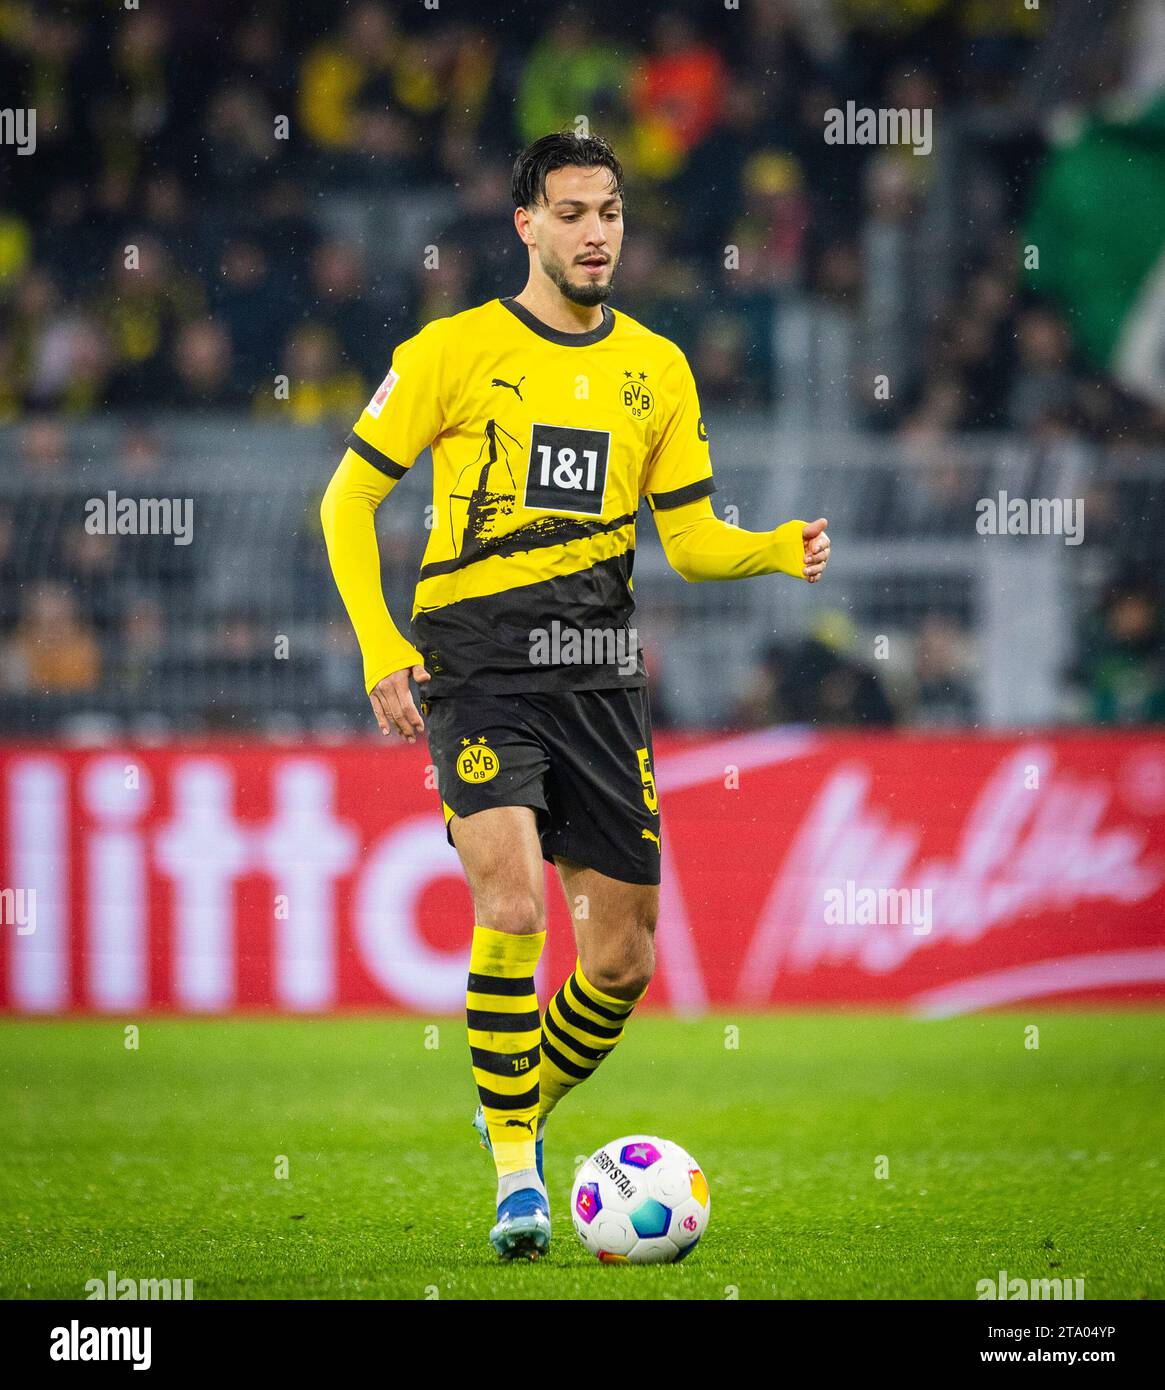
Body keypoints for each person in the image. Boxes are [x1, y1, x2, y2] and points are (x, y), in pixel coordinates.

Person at [320, 131, 831, 1260]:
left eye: (609, 212)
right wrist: (377, 646)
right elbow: (344, 503)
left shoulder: (657, 366)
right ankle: (516, 1177)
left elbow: (690, 543)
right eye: (572, 212)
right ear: (526, 225)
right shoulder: (450, 351)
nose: (596, 232)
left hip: (600, 673)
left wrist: (772, 549)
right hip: (479, 667)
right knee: (510, 906)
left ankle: (515, 1103)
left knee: (622, 961)